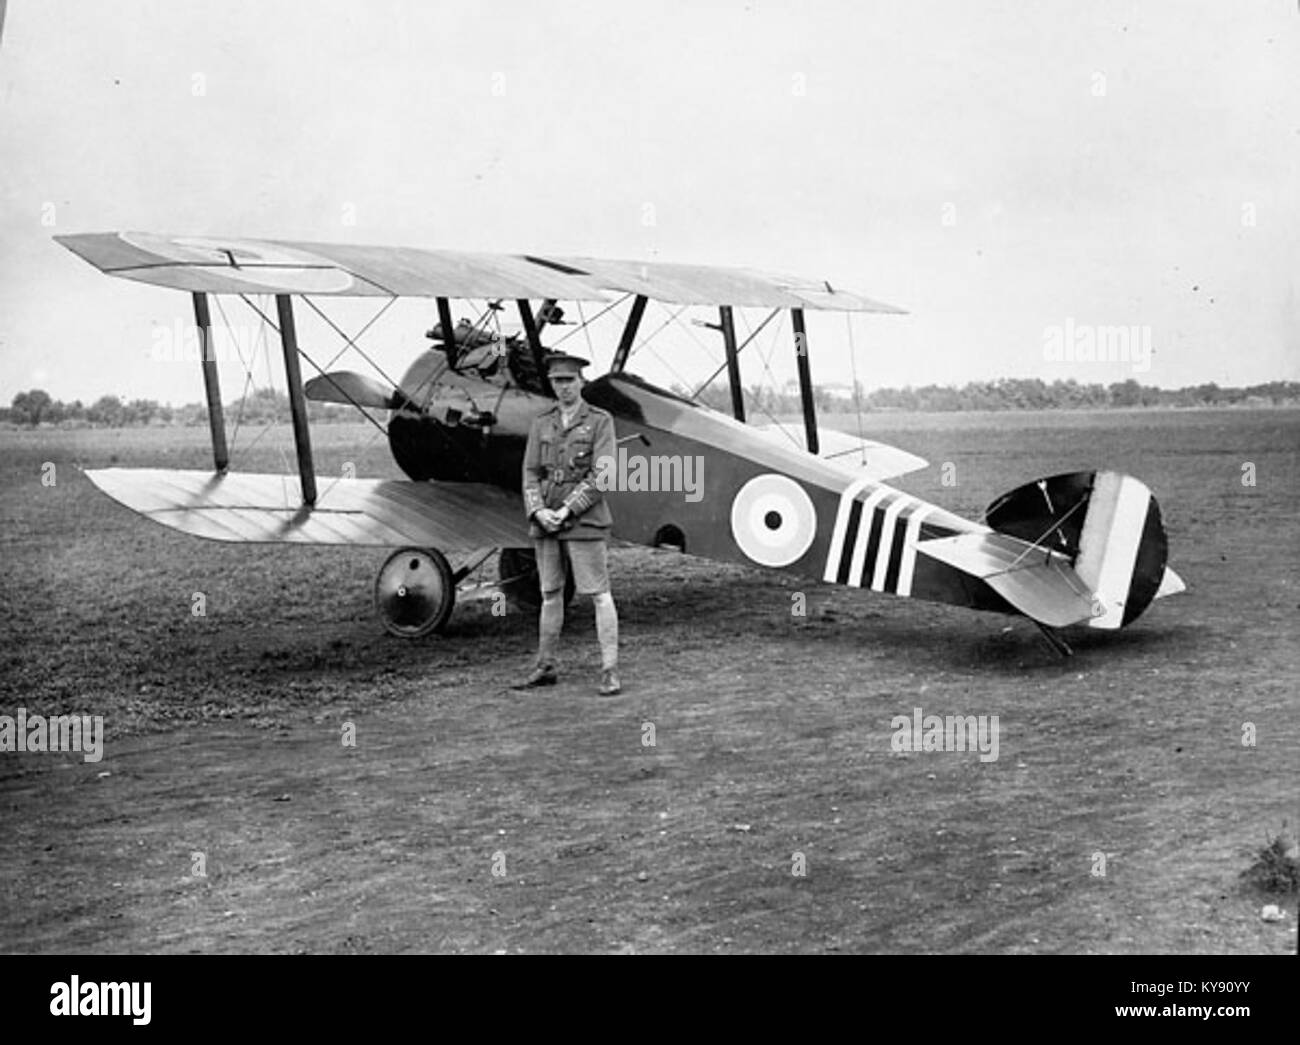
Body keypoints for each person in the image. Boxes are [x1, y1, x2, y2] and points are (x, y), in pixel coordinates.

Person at [514, 352, 621, 695]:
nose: (563, 387)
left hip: (584, 519)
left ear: (582, 381)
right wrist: (539, 511)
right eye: (557, 381)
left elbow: (603, 475)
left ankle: (609, 670)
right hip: (546, 519)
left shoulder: (600, 421)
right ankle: (544, 666)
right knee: (550, 594)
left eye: (569, 380)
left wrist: (568, 510)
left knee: (600, 595)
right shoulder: (542, 422)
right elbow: (530, 472)